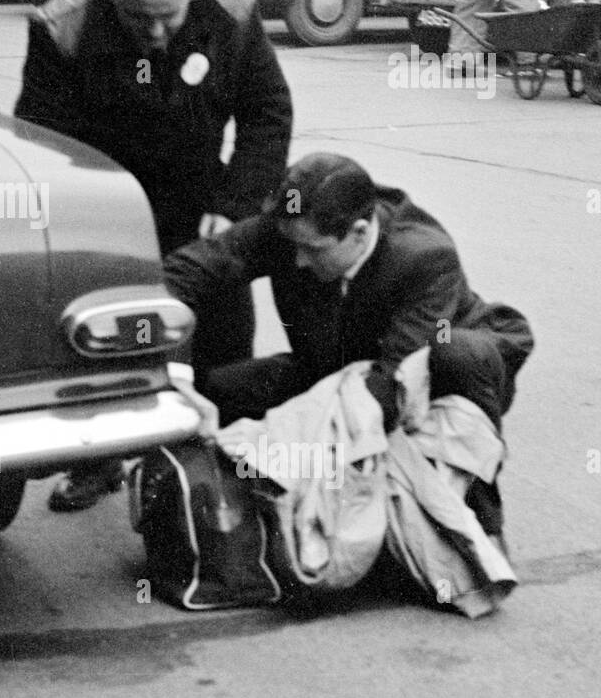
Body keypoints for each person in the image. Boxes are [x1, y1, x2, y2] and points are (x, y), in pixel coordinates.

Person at [14, 0, 293, 511]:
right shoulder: (63, 28)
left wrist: (237, 204)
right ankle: (99, 461)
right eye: (146, 19)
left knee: (223, 343)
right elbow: (42, 143)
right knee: (108, 346)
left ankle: (222, 467)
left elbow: (267, 112)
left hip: (205, 205)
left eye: (174, 14)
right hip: (107, 210)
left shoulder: (230, 9)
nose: (163, 33)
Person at [163, 152, 533, 548]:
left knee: (458, 354)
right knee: (212, 393)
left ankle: (481, 527)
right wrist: (179, 380)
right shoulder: (293, 229)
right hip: (334, 367)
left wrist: (278, 441)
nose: (298, 261)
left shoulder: (425, 258)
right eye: (293, 246)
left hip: (432, 379)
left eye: (314, 250)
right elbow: (184, 271)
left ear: (359, 233)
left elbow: (389, 388)